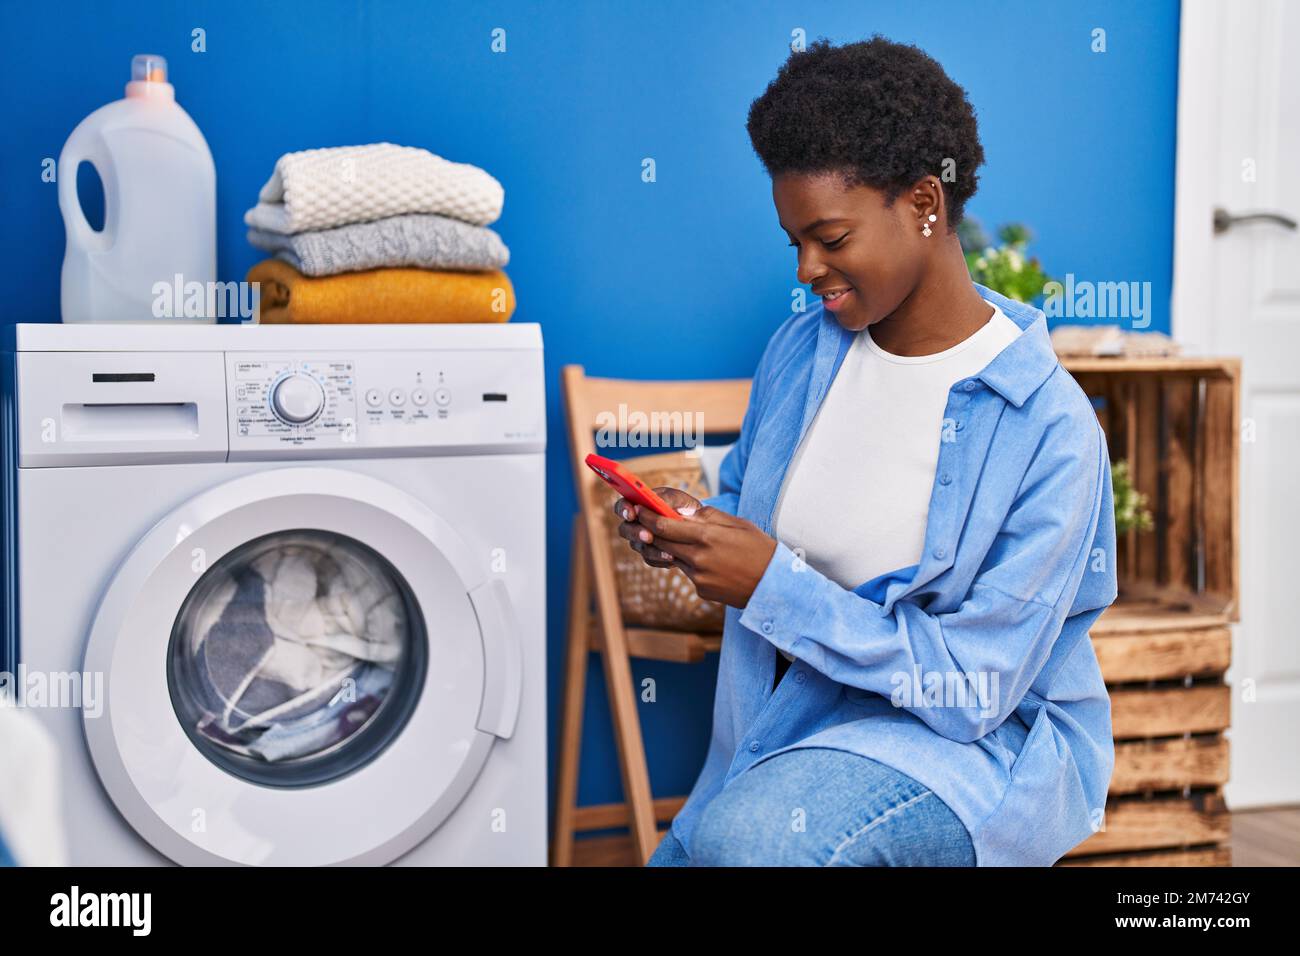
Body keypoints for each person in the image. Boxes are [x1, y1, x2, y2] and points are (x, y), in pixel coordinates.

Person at [615, 36, 1117, 867]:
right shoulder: (800, 354)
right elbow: (751, 511)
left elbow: (974, 688)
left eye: (832, 238)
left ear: (925, 203)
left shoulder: (1050, 429)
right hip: (795, 728)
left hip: (967, 748)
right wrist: (694, 535)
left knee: (755, 844)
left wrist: (773, 584)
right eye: (795, 242)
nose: (809, 267)